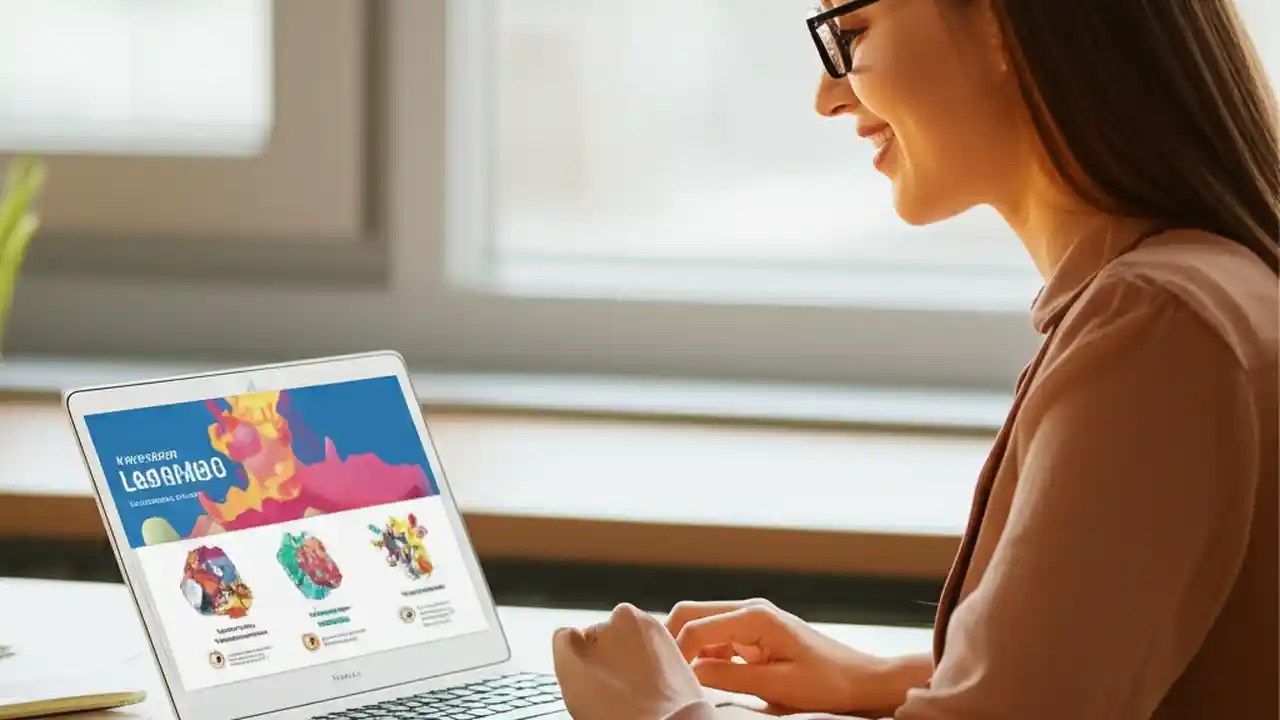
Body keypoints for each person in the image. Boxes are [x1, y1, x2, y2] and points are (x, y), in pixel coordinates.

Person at [550, 0, 1279, 718]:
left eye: (853, 31)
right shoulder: (1211, 288)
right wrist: (885, 676)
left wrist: (662, 711)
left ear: (1001, 26)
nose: (828, 97)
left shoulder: (1154, 331)